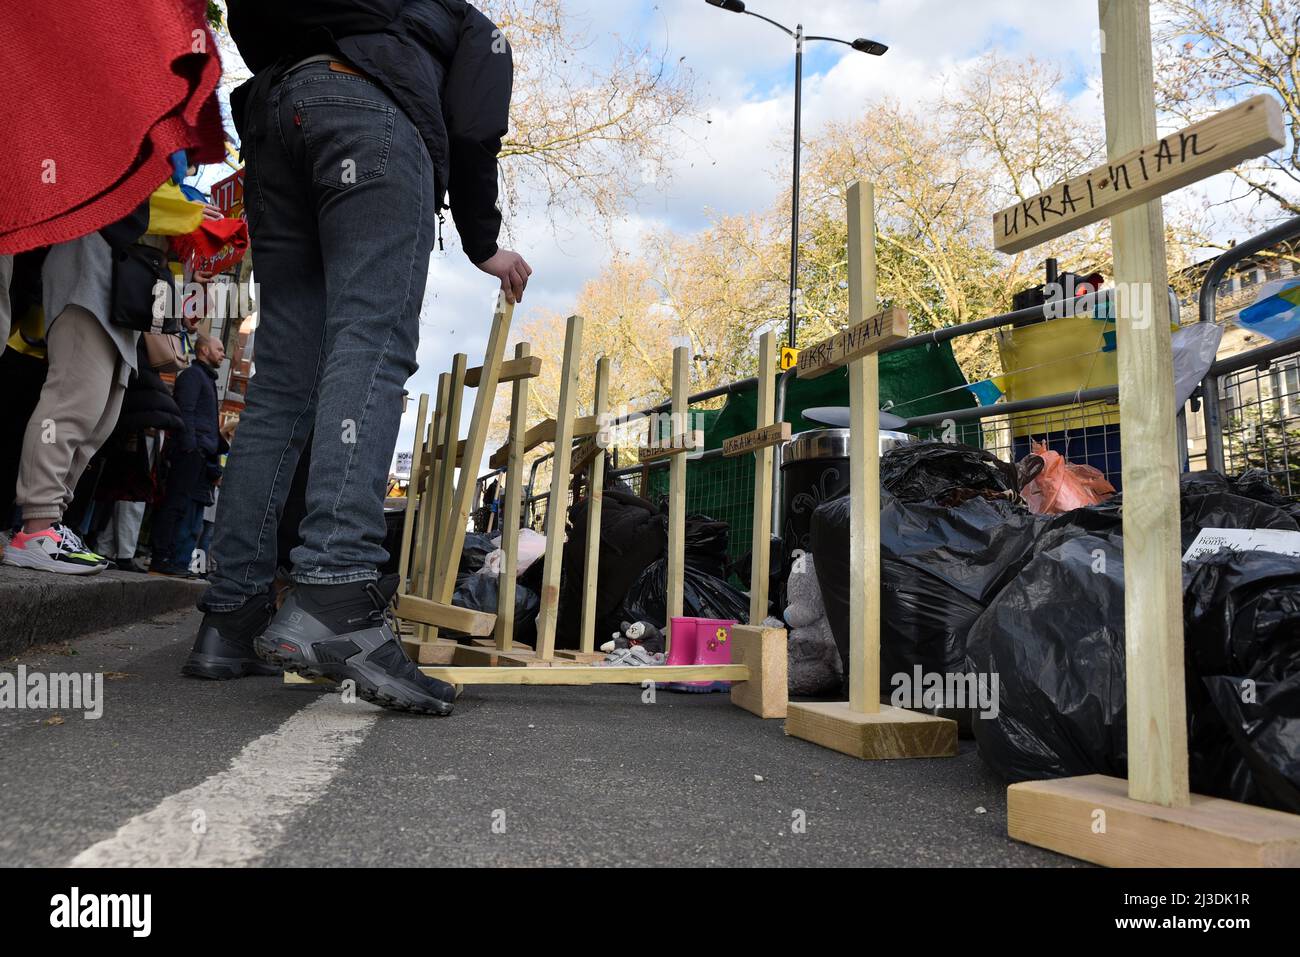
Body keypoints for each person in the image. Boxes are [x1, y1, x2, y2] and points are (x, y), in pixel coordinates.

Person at [182, 1, 532, 712]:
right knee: (368, 345)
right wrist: (482, 240)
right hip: (370, 123)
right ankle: (337, 595)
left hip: (276, 120)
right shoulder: (468, 23)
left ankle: (232, 615)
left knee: (284, 375)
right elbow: (474, 125)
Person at [2, 231, 140, 574]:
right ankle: (38, 527)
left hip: (122, 285)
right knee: (69, 410)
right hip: (91, 275)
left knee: (94, 423)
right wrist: (195, 219)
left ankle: (49, 525)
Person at [151, 334, 224, 575]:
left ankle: (170, 558)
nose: (223, 353)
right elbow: (186, 411)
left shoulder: (206, 378)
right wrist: (191, 446)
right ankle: (161, 557)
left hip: (199, 452)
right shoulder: (193, 376)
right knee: (174, 504)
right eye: (219, 349)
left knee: (182, 506)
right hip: (190, 451)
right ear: (203, 350)